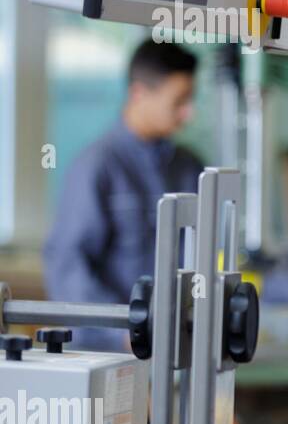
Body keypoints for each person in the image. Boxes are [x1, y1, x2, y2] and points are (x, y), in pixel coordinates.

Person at [43, 40, 203, 351]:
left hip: (172, 351)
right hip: (106, 353)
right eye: (179, 100)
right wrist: (123, 330)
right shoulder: (97, 167)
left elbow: (217, 255)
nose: (188, 113)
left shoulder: (189, 167)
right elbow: (67, 267)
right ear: (139, 93)